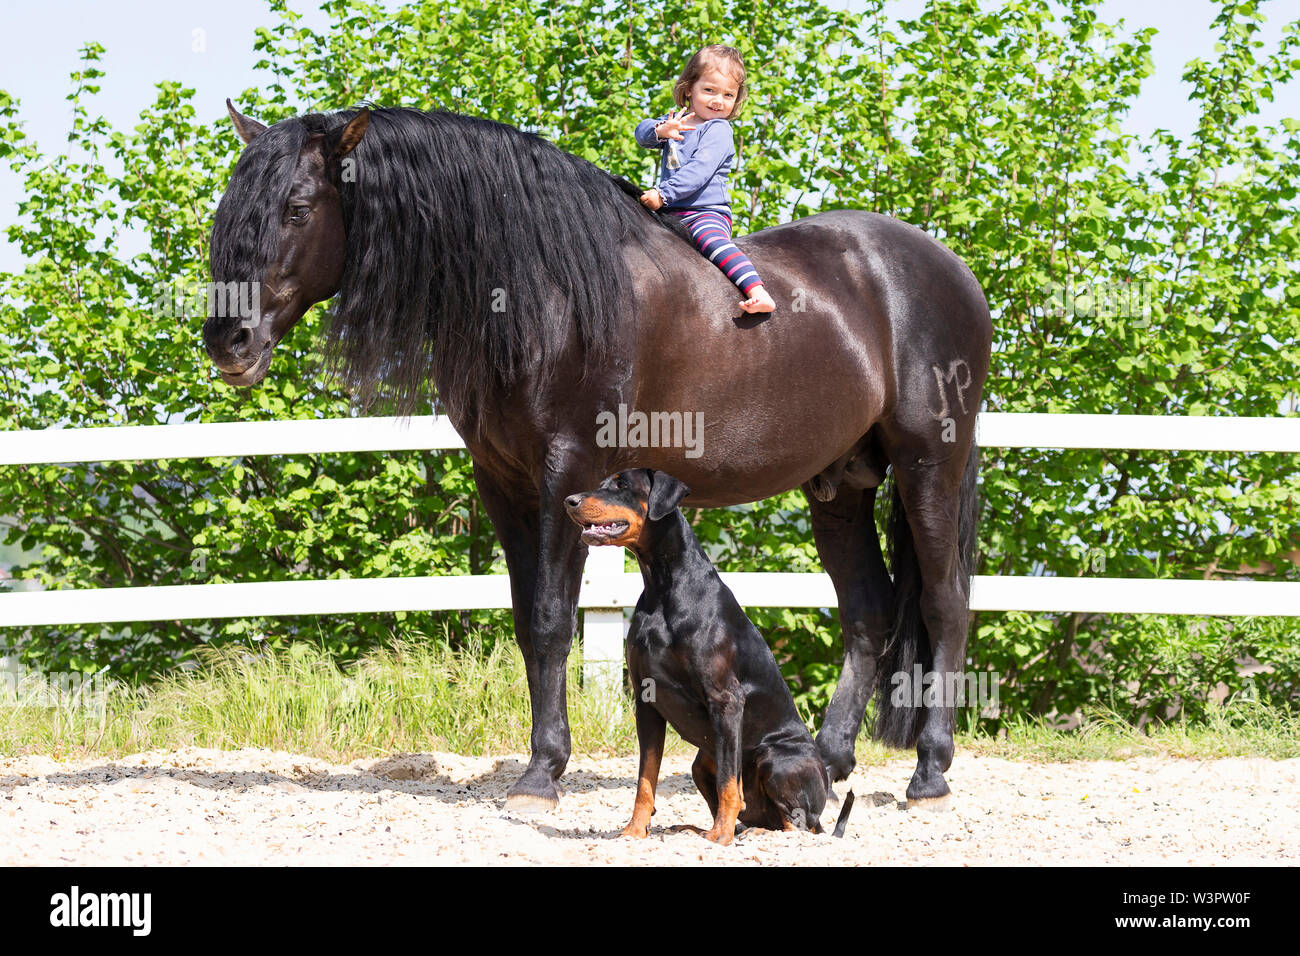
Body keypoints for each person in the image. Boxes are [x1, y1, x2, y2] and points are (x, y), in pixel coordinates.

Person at [635, 46, 777, 314]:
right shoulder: (678, 121)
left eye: (728, 95)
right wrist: (661, 130)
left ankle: (757, 291)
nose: (718, 101)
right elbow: (640, 133)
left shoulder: (719, 130)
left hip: (704, 212)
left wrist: (663, 194)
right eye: (709, 90)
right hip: (671, 212)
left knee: (711, 241)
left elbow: (699, 172)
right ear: (689, 89)